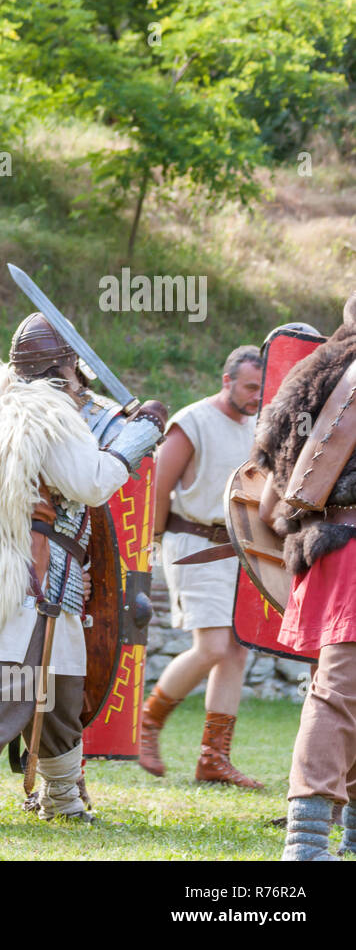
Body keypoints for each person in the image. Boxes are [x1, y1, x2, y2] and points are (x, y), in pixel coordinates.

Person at [0, 314, 166, 831]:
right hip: (28, 575)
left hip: (26, 571)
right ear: (67, 369)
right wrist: (140, 436)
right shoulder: (49, 417)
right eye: (77, 373)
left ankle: (62, 799)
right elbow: (91, 482)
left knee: (62, 692)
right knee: (5, 687)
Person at [253, 296, 356, 859]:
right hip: (352, 556)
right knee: (338, 694)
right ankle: (307, 844)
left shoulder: (313, 372)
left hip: (324, 549)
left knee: (345, 692)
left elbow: (268, 504)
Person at [139, 346, 265, 788]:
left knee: (236, 650)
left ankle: (213, 758)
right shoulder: (192, 420)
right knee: (212, 647)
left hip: (239, 550)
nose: (256, 395)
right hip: (192, 542)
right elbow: (158, 486)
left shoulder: (256, 426)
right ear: (227, 380)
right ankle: (147, 723)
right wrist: (150, 544)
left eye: (261, 388)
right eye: (250, 386)